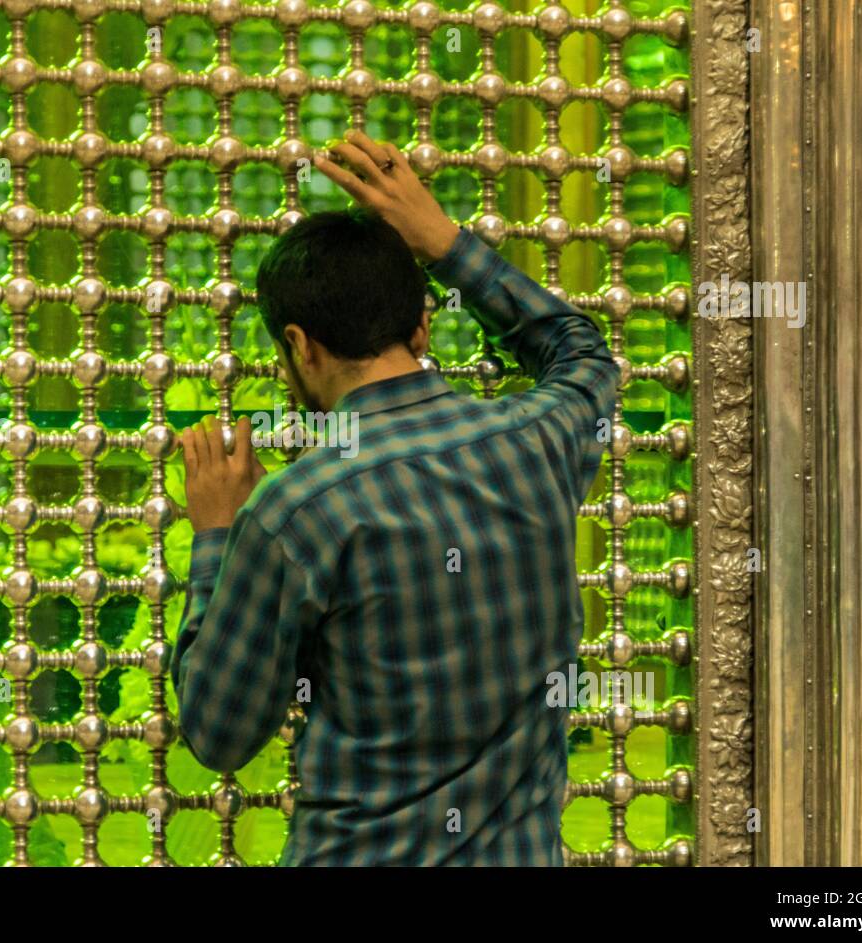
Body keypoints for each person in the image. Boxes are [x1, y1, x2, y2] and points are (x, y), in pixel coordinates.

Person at [172, 129, 619, 865]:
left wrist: (219, 535)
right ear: (422, 326)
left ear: (300, 344)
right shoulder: (539, 442)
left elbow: (219, 732)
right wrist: (444, 242)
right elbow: (583, 353)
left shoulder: (298, 512)